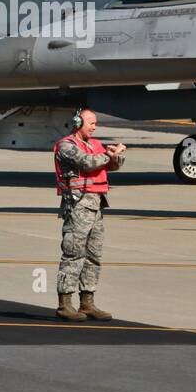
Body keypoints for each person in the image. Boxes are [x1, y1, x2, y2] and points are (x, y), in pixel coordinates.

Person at [52, 107, 126, 322]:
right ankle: (64, 304)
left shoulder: (95, 145)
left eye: (95, 123)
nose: (94, 127)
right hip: (77, 204)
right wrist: (107, 155)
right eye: (91, 123)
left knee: (93, 255)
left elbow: (111, 166)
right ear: (78, 123)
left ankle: (87, 302)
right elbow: (86, 162)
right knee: (73, 252)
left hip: (96, 204)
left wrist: (115, 156)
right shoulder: (66, 146)